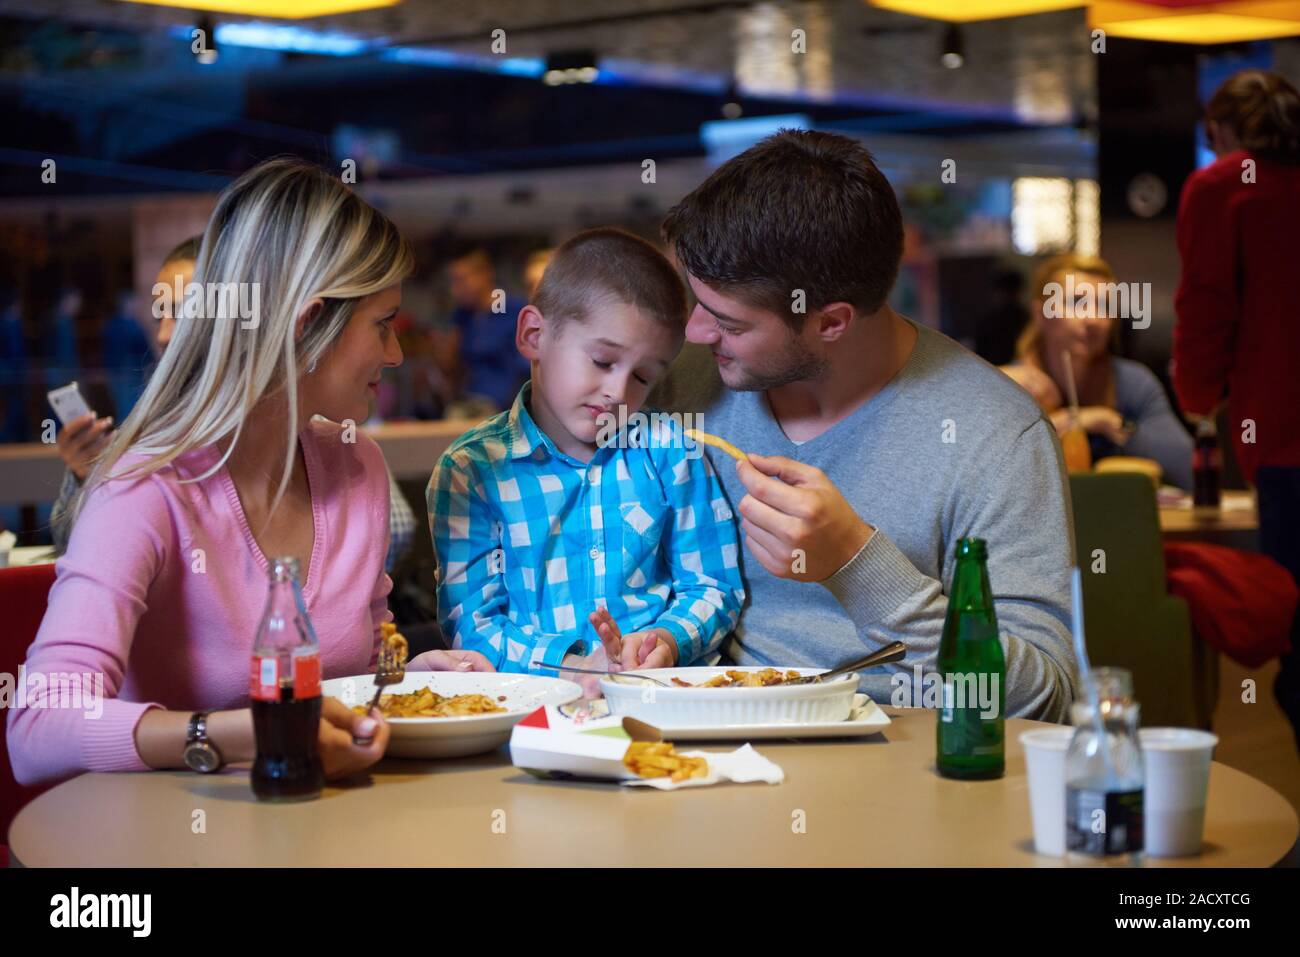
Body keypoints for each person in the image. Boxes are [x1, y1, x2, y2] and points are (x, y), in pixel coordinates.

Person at [8, 158, 490, 788]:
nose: (396, 354)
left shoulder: (356, 464)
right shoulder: (144, 487)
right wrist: (239, 732)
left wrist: (417, 678)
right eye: (381, 326)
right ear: (309, 322)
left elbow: (359, 673)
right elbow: (38, 725)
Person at [652, 129, 1078, 721]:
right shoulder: (680, 387)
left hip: (900, 765)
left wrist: (856, 563)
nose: (696, 333)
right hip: (695, 746)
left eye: (729, 322)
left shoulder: (996, 433)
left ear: (831, 322)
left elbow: (1043, 699)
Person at [428, 228, 744, 678]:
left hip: (655, 698)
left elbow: (712, 585)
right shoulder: (470, 470)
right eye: (602, 361)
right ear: (534, 335)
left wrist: (666, 641)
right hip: (529, 713)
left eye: (642, 378)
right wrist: (576, 666)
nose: (617, 391)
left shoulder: (672, 451)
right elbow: (473, 627)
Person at [48, 237, 417, 573]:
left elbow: (397, 529)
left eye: (185, 311)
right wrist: (88, 476)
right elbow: (77, 558)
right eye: (161, 312)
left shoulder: (315, 413)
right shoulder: (152, 443)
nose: (164, 334)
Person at [1172, 68, 1300, 743]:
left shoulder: (1223, 188)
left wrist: (1197, 397)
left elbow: (1206, 306)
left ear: (1220, 131)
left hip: (1286, 446)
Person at [1000, 252, 1194, 489]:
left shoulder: (1131, 382)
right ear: (1041, 314)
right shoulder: (1009, 385)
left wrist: (1107, 420)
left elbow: (1185, 466)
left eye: (1103, 305)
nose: (1092, 318)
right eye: (1077, 302)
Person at [442, 248, 530, 414]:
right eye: (453, 282)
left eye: (461, 280)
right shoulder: (462, 316)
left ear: (484, 275)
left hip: (505, 406)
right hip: (468, 401)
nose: (455, 290)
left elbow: (526, 368)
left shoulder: (512, 310)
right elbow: (454, 365)